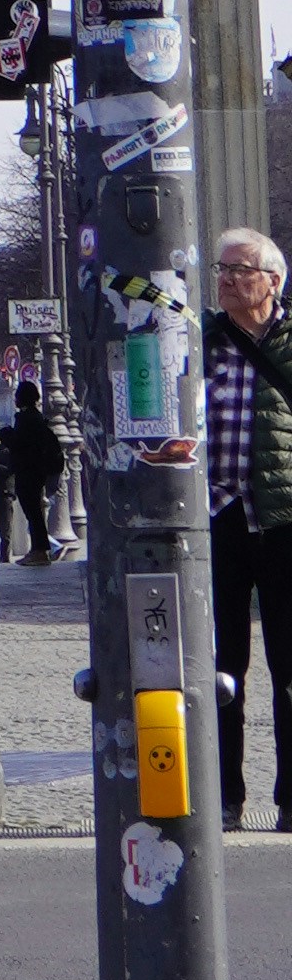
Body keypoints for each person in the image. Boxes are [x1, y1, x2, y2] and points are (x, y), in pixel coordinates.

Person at [202, 232, 292, 819]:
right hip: (220, 518)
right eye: (222, 269)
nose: (228, 279)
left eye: (241, 269)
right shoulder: (201, 340)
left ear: (273, 281)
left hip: (284, 521)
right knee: (218, 669)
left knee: (291, 670)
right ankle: (225, 798)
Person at [0, 369, 67, 572]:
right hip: (35, 470)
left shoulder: (27, 419)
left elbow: (21, 444)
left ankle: (40, 550)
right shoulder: (34, 418)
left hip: (30, 471)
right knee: (34, 512)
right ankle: (39, 549)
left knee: (33, 512)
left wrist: (4, 432)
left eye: (18, 395)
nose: (15, 399)